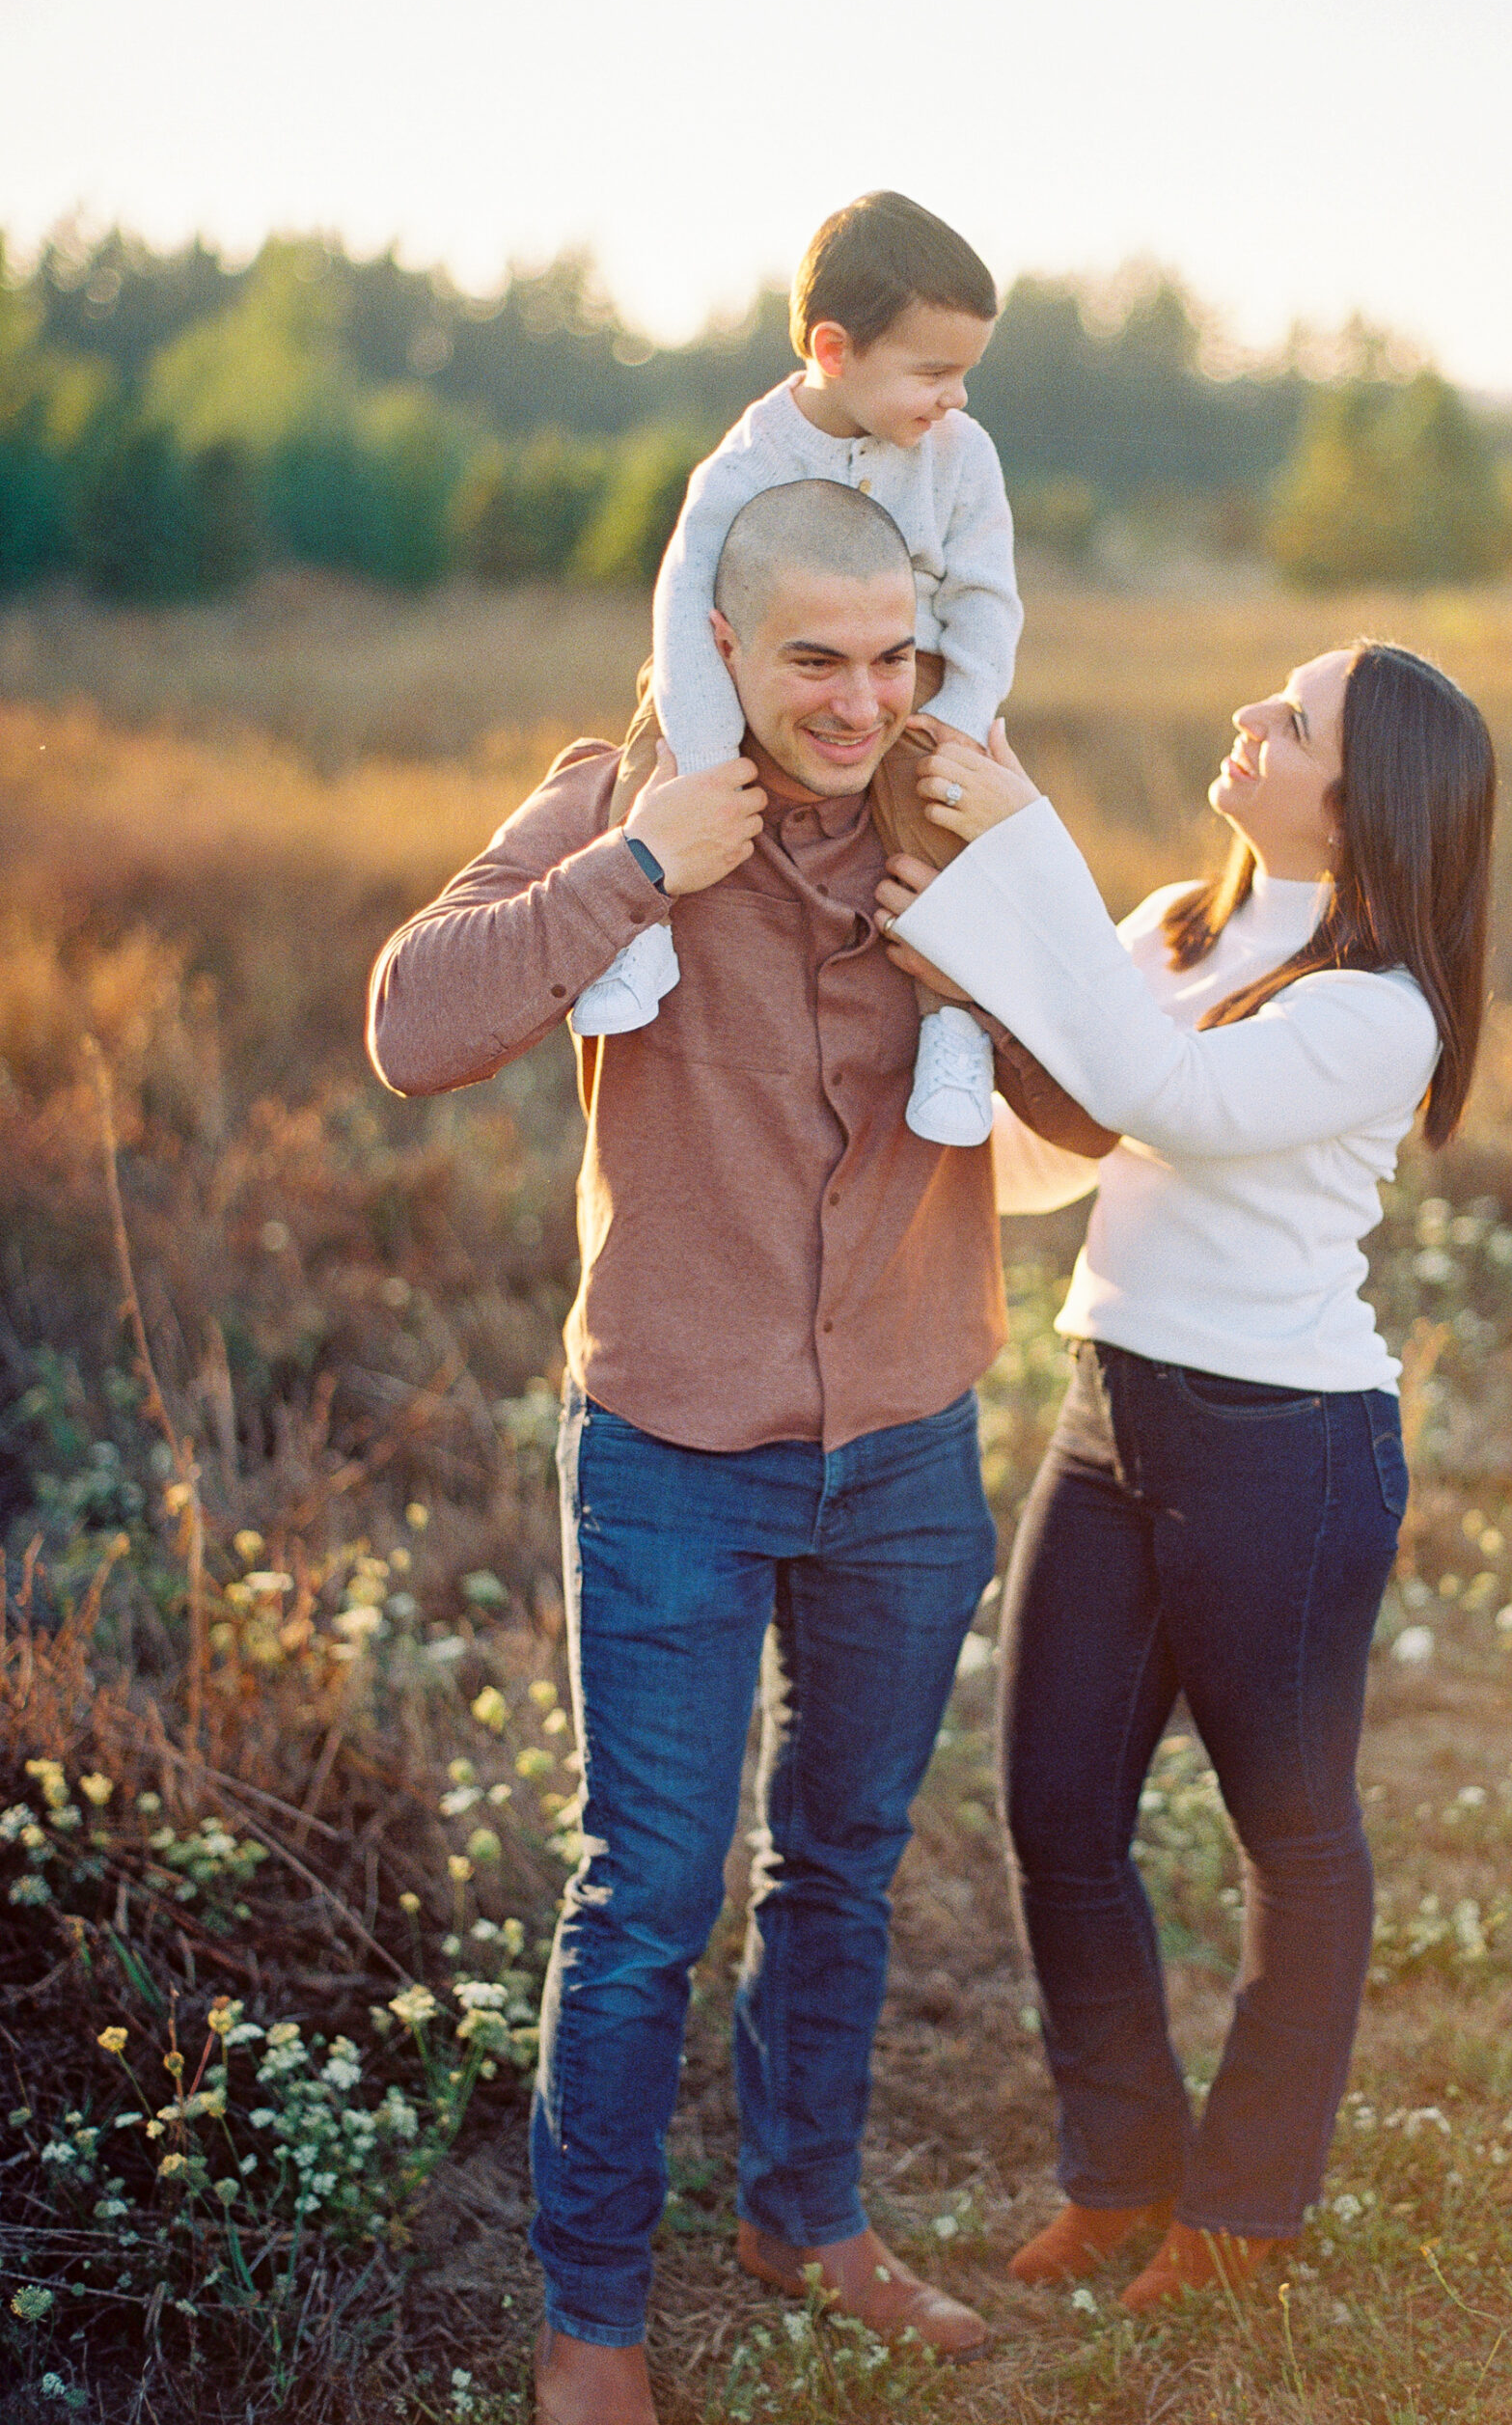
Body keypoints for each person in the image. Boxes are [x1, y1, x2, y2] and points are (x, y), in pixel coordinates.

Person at [367, 480, 1109, 2425]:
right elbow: (410, 1022)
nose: (860, 702)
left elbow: (1094, 1098)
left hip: (903, 1448)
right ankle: (589, 2321)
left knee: (843, 1857)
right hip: (669, 1451)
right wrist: (626, 865)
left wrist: (996, 943)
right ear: (724, 641)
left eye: (893, 658)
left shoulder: (960, 818)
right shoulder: (624, 790)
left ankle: (806, 2213)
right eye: (814, 658)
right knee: (645, 1891)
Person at [877, 641, 1496, 2310]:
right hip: (1112, 1405)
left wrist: (1022, 862)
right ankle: (1120, 2171)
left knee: (1292, 1839)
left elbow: (1168, 1094)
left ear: (1367, 809)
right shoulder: (1170, 927)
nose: (1247, 720)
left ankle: (1244, 2211)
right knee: (1056, 1809)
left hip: (1284, 1450)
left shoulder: (1380, 1011)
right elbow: (1044, 1160)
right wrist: (955, 1007)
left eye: (1290, 724)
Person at [571, 190, 1023, 1152]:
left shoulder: (960, 454)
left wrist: (963, 716)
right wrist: (702, 758)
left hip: (920, 671)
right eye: (934, 371)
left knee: (936, 818)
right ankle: (640, 932)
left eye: (967, 373)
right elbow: (686, 611)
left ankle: (950, 1026)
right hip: (745, 674)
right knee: (653, 736)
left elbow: (986, 597)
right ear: (832, 351)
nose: (955, 396)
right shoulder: (747, 465)